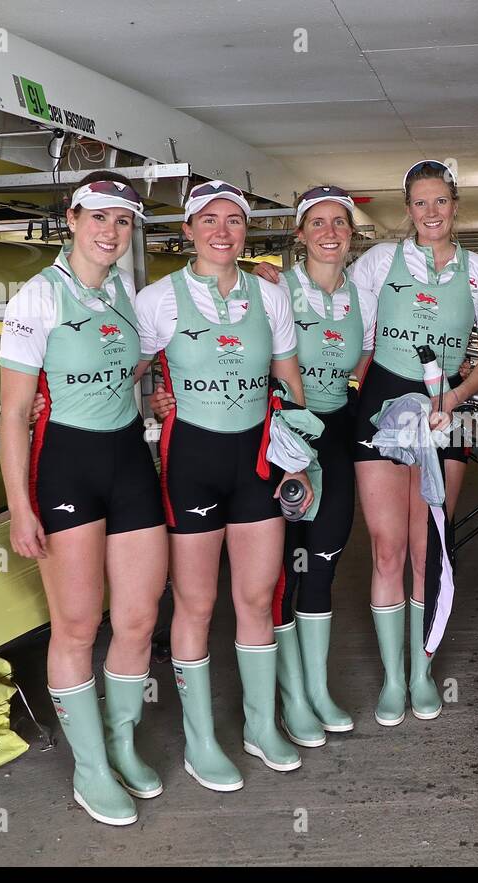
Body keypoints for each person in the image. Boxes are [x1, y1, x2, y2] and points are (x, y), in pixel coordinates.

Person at [0, 172, 167, 826]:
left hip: (129, 461)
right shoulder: (35, 298)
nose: (110, 231)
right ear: (71, 219)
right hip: (66, 468)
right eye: (98, 217)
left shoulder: (127, 290)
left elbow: (135, 361)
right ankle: (89, 767)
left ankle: (122, 745)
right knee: (76, 625)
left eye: (122, 221)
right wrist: (20, 506)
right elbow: (14, 414)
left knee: (137, 617)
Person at [134, 180, 313, 785]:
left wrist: (298, 459)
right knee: (196, 602)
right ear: (187, 231)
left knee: (258, 598)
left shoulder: (271, 296)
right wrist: (147, 406)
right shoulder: (158, 299)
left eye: (234, 221)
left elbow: (289, 383)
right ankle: (201, 741)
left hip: (257, 462)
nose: (222, 230)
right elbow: (120, 372)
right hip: (193, 463)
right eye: (208, 220)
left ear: (245, 232)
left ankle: (261, 727)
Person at [346, 161, 478, 725]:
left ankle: (422, 672)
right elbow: (348, 331)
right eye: (420, 203)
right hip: (384, 404)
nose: (431, 213)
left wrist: (453, 402)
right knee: (388, 547)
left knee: (428, 547)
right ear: (407, 209)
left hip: (447, 408)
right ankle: (393, 678)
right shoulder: (376, 262)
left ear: (455, 206)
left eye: (440, 201)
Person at [237, 186, 375, 745]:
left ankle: (316, 691)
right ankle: (291, 702)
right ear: (299, 235)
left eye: (339, 223)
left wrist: (355, 381)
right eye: (317, 223)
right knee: (281, 574)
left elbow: (367, 351)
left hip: (336, 436)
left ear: (350, 233)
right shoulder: (271, 287)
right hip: (282, 439)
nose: (329, 232)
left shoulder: (363, 290)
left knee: (323, 564)